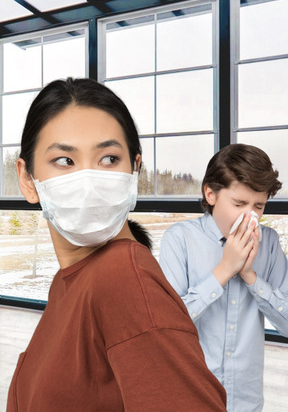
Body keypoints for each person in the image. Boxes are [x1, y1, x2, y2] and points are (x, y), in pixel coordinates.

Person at [7, 77, 227, 412]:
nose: (89, 181)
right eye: (65, 161)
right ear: (28, 180)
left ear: (134, 170)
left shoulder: (122, 277)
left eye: (109, 159)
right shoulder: (68, 282)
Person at [159, 143, 288, 412]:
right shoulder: (179, 238)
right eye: (239, 203)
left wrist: (250, 276)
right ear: (211, 193)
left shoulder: (270, 244)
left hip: (246, 401)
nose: (250, 216)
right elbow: (166, 324)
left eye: (259, 206)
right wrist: (224, 270)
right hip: (190, 397)